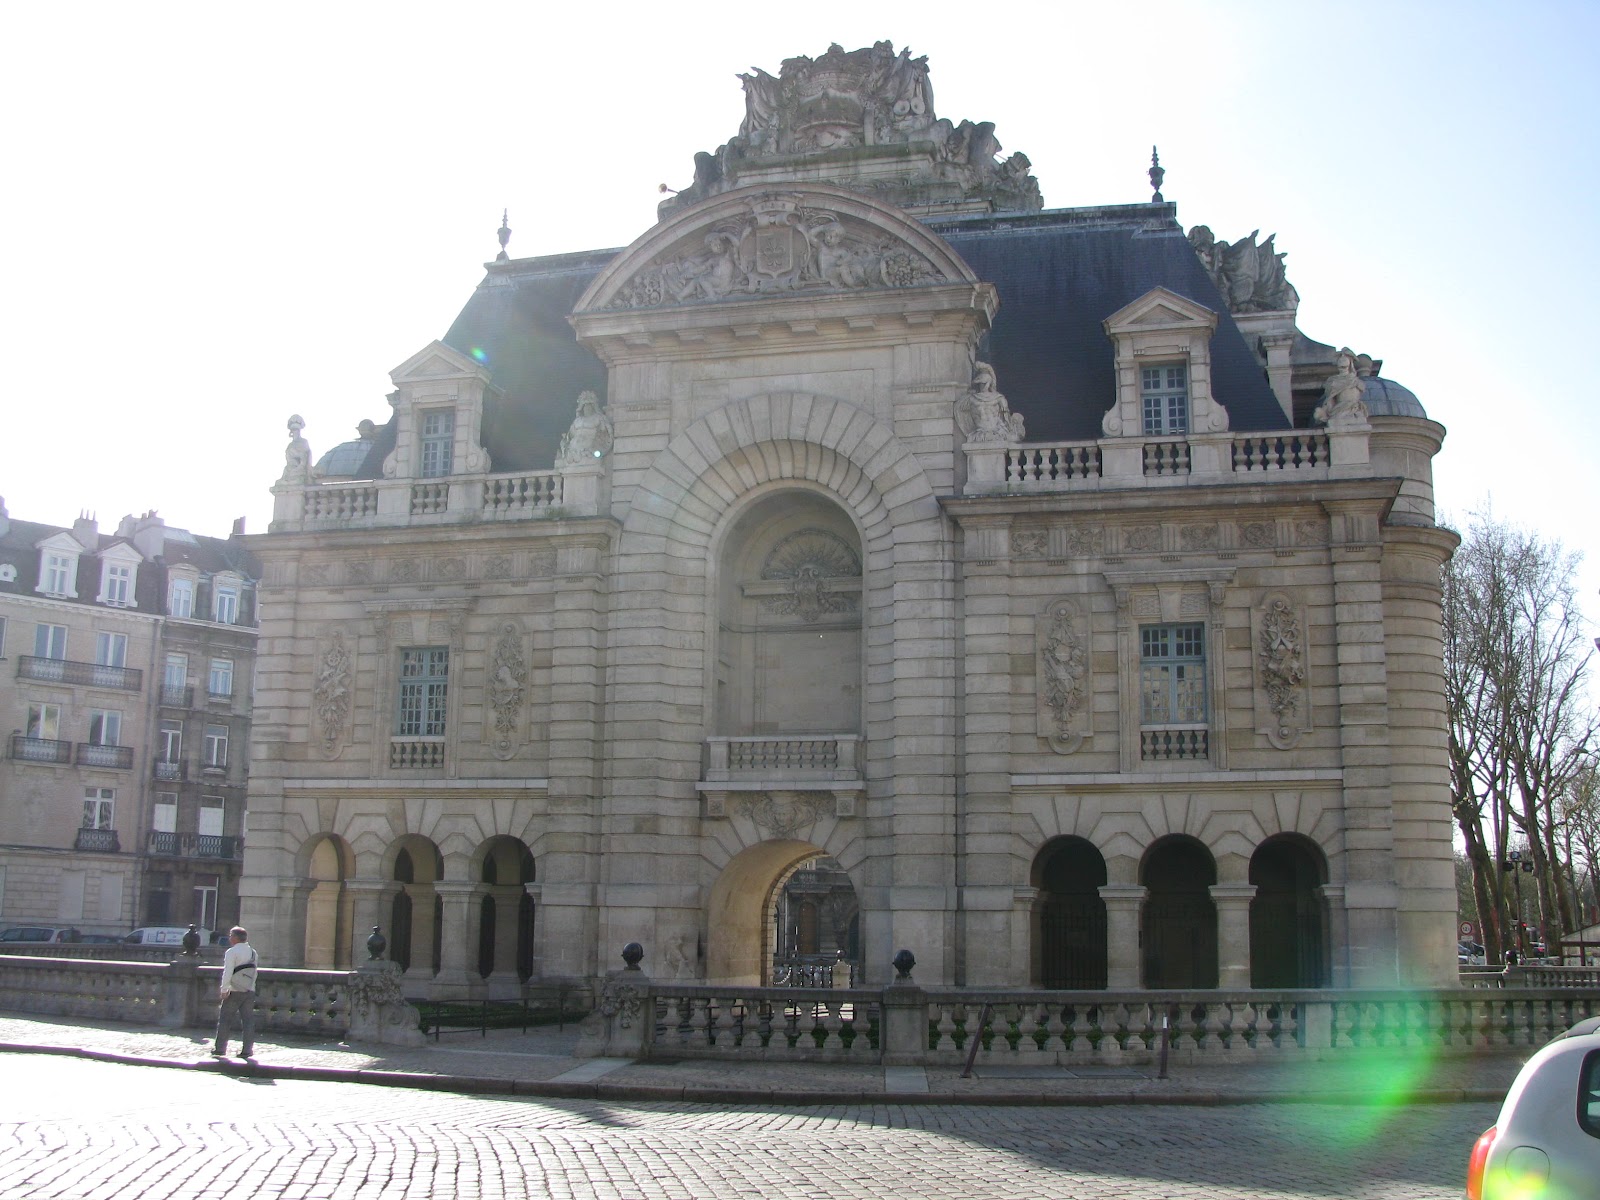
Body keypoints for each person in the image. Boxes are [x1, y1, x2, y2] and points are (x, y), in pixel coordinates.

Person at [211, 926, 258, 1060]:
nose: (230, 938)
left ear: (236, 938)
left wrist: (224, 989)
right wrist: (251, 987)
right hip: (249, 990)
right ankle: (247, 1050)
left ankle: (220, 1048)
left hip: (234, 990)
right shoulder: (253, 953)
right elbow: (254, 972)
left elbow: (228, 972)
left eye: (231, 935)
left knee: (225, 1020)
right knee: (248, 1021)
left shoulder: (232, 952)